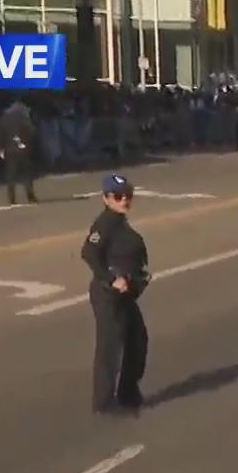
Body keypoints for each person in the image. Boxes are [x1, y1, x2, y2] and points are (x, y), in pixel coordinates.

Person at [81, 174, 151, 416]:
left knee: (138, 340)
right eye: (118, 196)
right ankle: (104, 403)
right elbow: (89, 252)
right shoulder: (106, 223)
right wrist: (112, 279)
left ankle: (128, 392)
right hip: (108, 295)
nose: (124, 200)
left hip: (125, 294)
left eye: (127, 195)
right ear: (106, 198)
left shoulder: (119, 221)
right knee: (109, 348)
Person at [0, 98, 38, 206]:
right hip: (21, 144)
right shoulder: (23, 111)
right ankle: (30, 194)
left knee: (11, 173)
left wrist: (2, 146)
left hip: (9, 145)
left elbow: (1, 132)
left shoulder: (6, 113)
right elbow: (28, 128)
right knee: (26, 171)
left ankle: (11, 197)